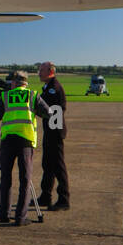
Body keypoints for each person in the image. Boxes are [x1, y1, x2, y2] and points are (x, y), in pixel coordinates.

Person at [0, 71, 51, 226]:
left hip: (8, 141)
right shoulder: (33, 95)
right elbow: (48, 112)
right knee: (25, 180)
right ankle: (20, 217)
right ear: (26, 83)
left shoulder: (6, 96)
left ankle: (4, 213)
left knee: (6, 179)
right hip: (26, 141)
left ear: (14, 83)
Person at [37, 61, 70, 211]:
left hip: (54, 131)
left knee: (58, 166)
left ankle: (64, 199)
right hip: (50, 131)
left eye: (41, 70)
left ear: (50, 71)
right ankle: (45, 196)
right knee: (47, 164)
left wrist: (54, 133)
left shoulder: (54, 88)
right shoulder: (48, 87)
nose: (39, 73)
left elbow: (57, 110)